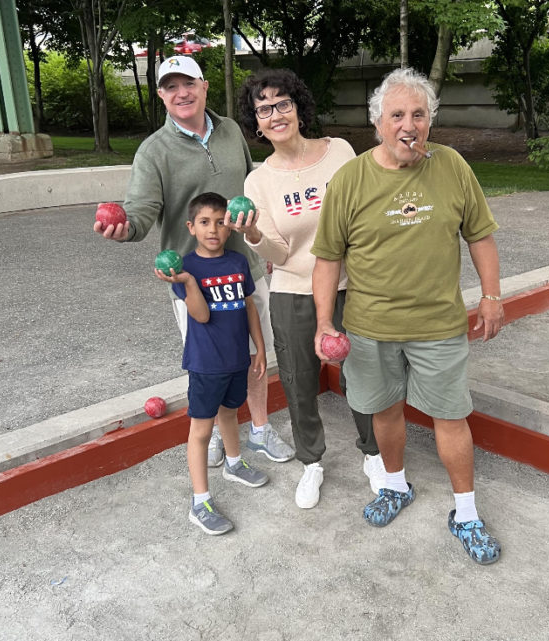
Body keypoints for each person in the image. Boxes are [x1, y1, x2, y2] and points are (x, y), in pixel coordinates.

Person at [311, 67, 505, 564]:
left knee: (451, 416)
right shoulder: (351, 178)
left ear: (430, 121)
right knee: (384, 412)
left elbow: (479, 235)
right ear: (378, 123)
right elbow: (328, 257)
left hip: (438, 324)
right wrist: (325, 322)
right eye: (397, 114)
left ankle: (466, 513)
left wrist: (491, 296)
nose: (408, 124)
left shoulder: (453, 166)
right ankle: (395, 486)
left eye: (418, 114)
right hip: (371, 327)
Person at [92, 55, 294, 467]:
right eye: (170, 87)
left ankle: (258, 428)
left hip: (246, 267)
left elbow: (252, 189)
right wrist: (125, 227)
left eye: (189, 84)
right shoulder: (154, 151)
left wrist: (264, 242)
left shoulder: (232, 130)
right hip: (194, 278)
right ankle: (221, 431)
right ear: (163, 96)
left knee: (257, 352)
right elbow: (142, 210)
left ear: (204, 88)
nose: (181, 93)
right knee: (209, 363)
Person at [230, 68, 384, 509]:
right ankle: (311, 462)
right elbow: (279, 253)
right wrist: (255, 236)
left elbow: (365, 214)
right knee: (299, 382)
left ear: (298, 108)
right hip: (293, 290)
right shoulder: (258, 181)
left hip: (351, 285)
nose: (275, 114)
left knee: (364, 373)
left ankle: (373, 452)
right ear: (256, 123)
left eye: (283, 104)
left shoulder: (339, 152)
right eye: (264, 109)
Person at [155, 192, 269, 535]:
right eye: (204, 222)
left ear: (230, 226)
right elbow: (201, 316)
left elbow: (249, 307)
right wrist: (188, 283)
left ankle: (234, 463)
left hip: (236, 359)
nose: (213, 229)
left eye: (221, 221)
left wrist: (259, 349)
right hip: (206, 364)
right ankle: (200, 500)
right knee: (202, 431)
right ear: (191, 227)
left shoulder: (237, 262)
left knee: (232, 414)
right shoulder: (185, 269)